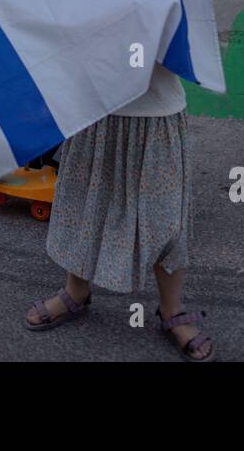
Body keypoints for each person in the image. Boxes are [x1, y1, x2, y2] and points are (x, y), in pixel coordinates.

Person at [23, 63, 213, 361]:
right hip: (93, 112)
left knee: (167, 221)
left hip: (156, 114)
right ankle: (76, 292)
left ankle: (171, 309)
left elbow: (185, 43)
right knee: (83, 207)